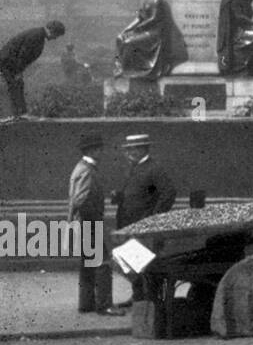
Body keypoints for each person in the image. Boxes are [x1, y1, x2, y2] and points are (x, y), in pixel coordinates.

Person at [115, 133, 177, 302]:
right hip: (131, 226)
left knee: (146, 265)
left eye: (135, 149)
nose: (130, 152)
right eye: (128, 149)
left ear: (144, 149)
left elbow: (169, 192)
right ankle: (138, 297)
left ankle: (149, 300)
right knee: (133, 262)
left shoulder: (154, 168)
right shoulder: (134, 168)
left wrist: (153, 217)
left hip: (145, 228)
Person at [68, 133, 123, 316]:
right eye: (98, 148)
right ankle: (105, 305)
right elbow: (80, 200)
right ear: (91, 150)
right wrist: (95, 222)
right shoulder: (87, 170)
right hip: (90, 222)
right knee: (103, 263)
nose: (101, 151)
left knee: (87, 264)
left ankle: (86, 304)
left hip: (83, 223)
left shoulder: (81, 167)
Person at [115, 0, 178, 80]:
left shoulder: (156, 0)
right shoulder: (146, 1)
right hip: (144, 31)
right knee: (120, 38)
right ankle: (120, 66)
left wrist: (138, 29)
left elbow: (154, 18)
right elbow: (139, 18)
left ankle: (126, 69)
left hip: (153, 34)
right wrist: (126, 30)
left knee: (128, 43)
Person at [0, 20, 65, 117]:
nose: (55, 38)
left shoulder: (38, 35)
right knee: (15, 86)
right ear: (52, 31)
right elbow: (23, 54)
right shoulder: (37, 36)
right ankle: (18, 115)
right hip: (8, 63)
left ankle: (20, 114)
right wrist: (18, 72)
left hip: (9, 63)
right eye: (57, 35)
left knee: (17, 86)